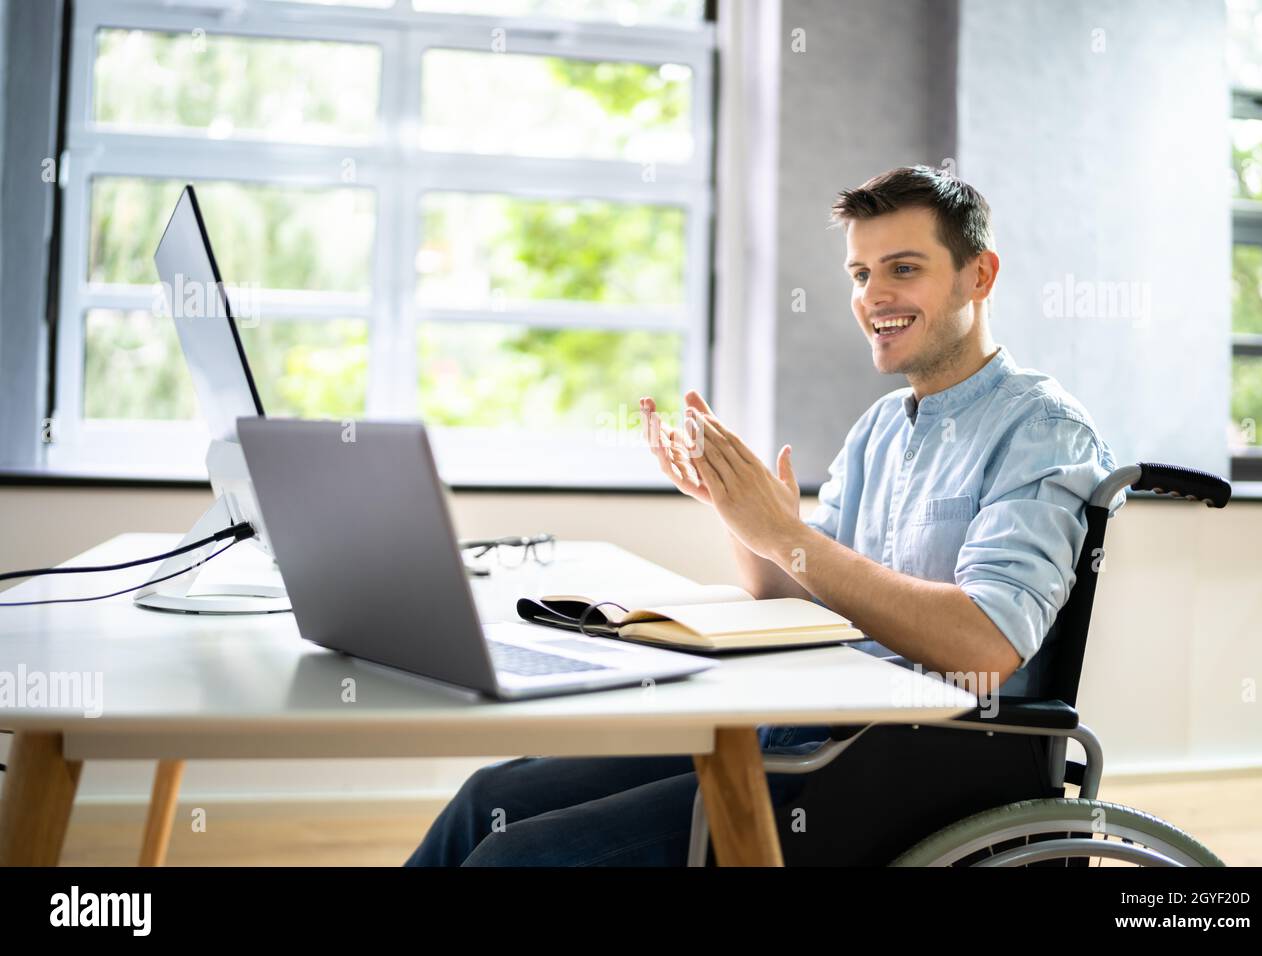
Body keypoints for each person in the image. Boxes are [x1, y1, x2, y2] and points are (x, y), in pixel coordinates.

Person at [405, 165, 1118, 866]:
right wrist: (739, 514)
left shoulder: (1042, 429)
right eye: (860, 274)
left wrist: (788, 534)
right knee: (488, 797)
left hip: (904, 766)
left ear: (979, 276)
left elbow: (985, 645)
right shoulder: (878, 428)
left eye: (903, 268)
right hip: (798, 727)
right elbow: (808, 605)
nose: (874, 296)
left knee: (520, 854)